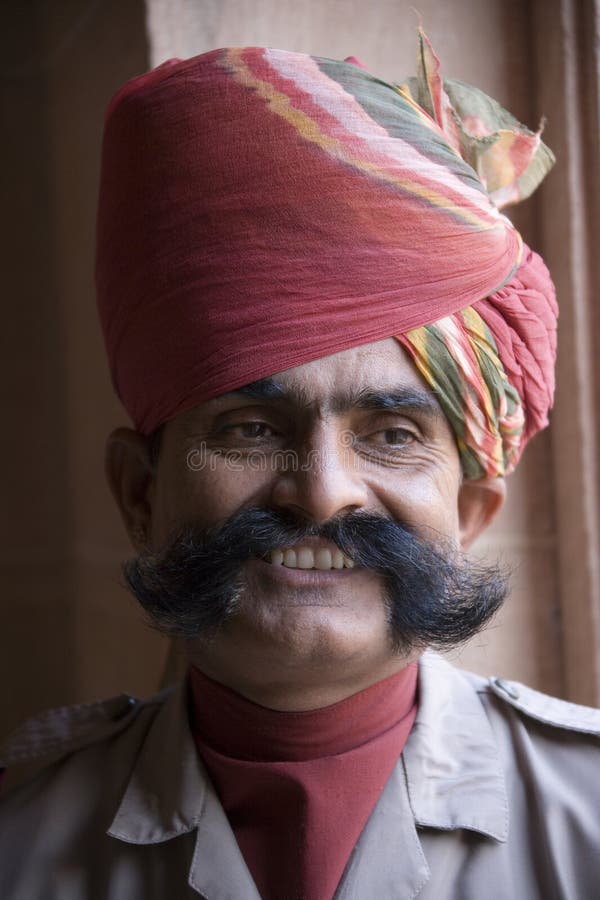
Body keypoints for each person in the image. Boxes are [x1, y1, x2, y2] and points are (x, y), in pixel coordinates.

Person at [1, 29, 598, 900]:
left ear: (469, 513)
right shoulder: (21, 840)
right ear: (139, 490)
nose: (322, 492)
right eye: (249, 428)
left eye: (392, 434)